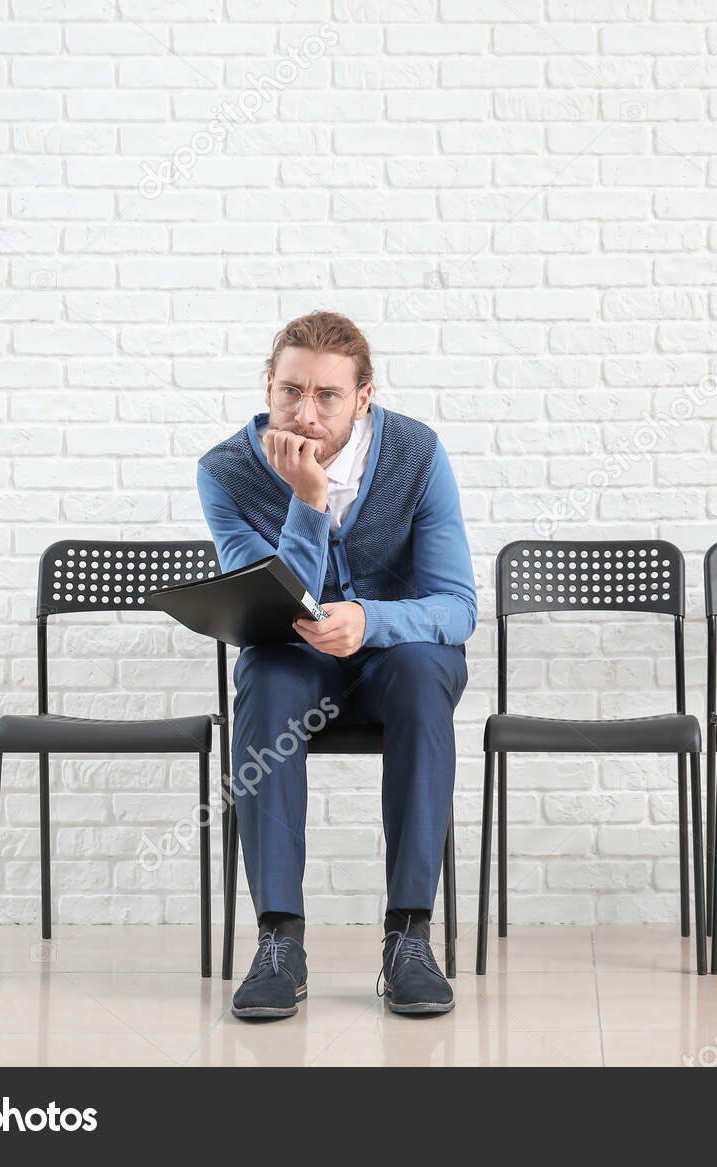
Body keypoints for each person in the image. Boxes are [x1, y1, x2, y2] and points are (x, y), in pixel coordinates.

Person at [197, 311, 476, 1018]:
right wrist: (309, 500)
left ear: (364, 397)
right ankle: (279, 943)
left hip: (397, 659)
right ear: (268, 385)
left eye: (327, 395)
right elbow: (261, 604)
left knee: (419, 673)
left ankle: (410, 935)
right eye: (290, 391)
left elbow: (457, 606)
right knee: (263, 677)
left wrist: (371, 620)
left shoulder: (418, 455)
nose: (306, 412)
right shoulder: (225, 472)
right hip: (295, 663)